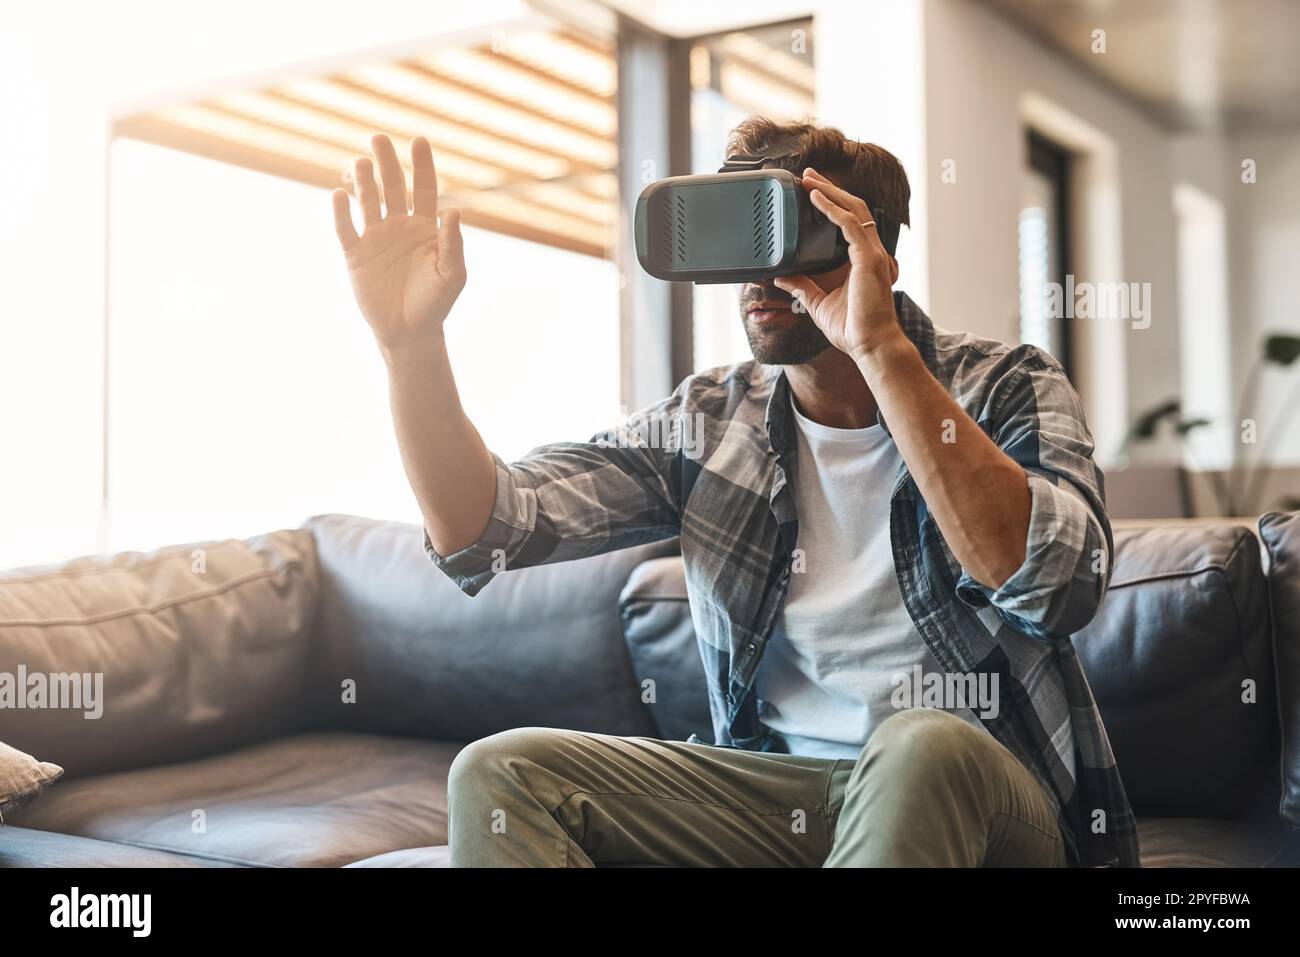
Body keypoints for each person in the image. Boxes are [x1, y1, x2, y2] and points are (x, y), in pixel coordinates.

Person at [331, 117, 1138, 868]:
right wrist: (411, 347)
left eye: (780, 227)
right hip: (782, 799)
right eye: (740, 235)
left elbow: (1058, 586)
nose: (760, 270)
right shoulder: (712, 419)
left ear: (868, 243)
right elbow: (486, 525)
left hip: (989, 799)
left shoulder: (1006, 383)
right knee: (503, 772)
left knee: (919, 744)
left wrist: (880, 347)